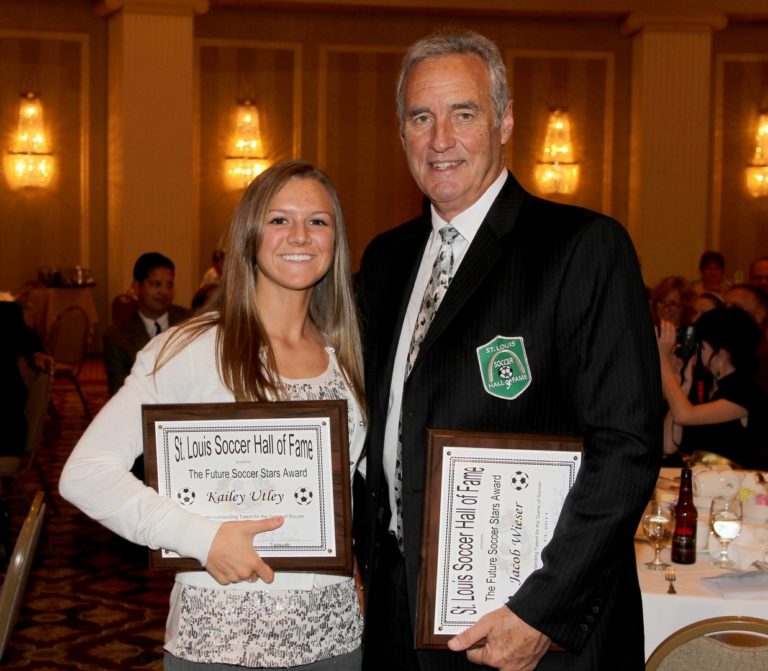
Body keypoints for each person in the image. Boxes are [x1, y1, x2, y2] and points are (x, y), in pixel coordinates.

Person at [356, 29, 661, 671]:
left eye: (463, 113)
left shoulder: (582, 248)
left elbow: (626, 448)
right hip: (396, 616)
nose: (441, 138)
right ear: (402, 131)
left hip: (528, 628)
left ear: (505, 122)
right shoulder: (385, 261)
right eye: (421, 116)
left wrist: (540, 614)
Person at [60, 160, 366, 669]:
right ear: (249, 236)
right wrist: (202, 539)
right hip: (220, 641)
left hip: (334, 637)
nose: (300, 235)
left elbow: (348, 493)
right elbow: (86, 474)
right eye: (278, 219)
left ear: (336, 242)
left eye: (318, 221)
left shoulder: (346, 354)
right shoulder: (191, 347)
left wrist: (357, 576)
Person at [657, 307, 768, 470]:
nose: (697, 352)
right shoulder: (704, 386)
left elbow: (685, 415)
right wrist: (682, 388)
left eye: (701, 347)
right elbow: (668, 446)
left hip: (734, 489)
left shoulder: (746, 392)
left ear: (722, 352)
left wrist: (663, 360)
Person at [103, 252, 190, 396]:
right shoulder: (117, 337)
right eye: (156, 284)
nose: (164, 291)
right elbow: (120, 393)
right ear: (136, 287)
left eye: (169, 285)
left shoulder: (190, 323)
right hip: (140, 410)